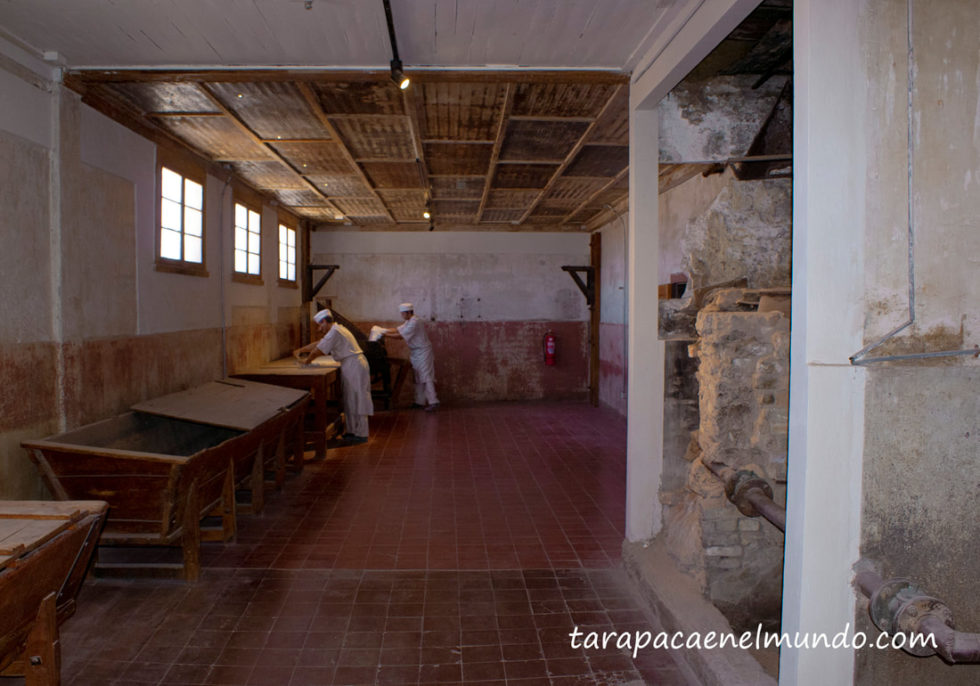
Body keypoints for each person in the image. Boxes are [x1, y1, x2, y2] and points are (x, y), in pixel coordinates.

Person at [293, 309, 373, 444]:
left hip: (355, 365)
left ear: (324, 321)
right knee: (350, 399)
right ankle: (352, 431)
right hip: (350, 364)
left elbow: (318, 351)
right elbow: (320, 343)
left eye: (320, 325)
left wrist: (306, 362)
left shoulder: (336, 331)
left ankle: (361, 434)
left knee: (357, 398)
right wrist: (301, 350)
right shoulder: (336, 330)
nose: (319, 329)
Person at [380, 302, 439, 412]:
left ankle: (433, 401)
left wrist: (384, 334)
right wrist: (382, 330)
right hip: (416, 352)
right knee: (418, 377)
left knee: (426, 377)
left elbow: (400, 336)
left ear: (408, 312)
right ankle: (419, 402)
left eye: (403, 314)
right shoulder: (409, 321)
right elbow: (397, 330)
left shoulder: (415, 322)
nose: (402, 316)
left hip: (423, 352)